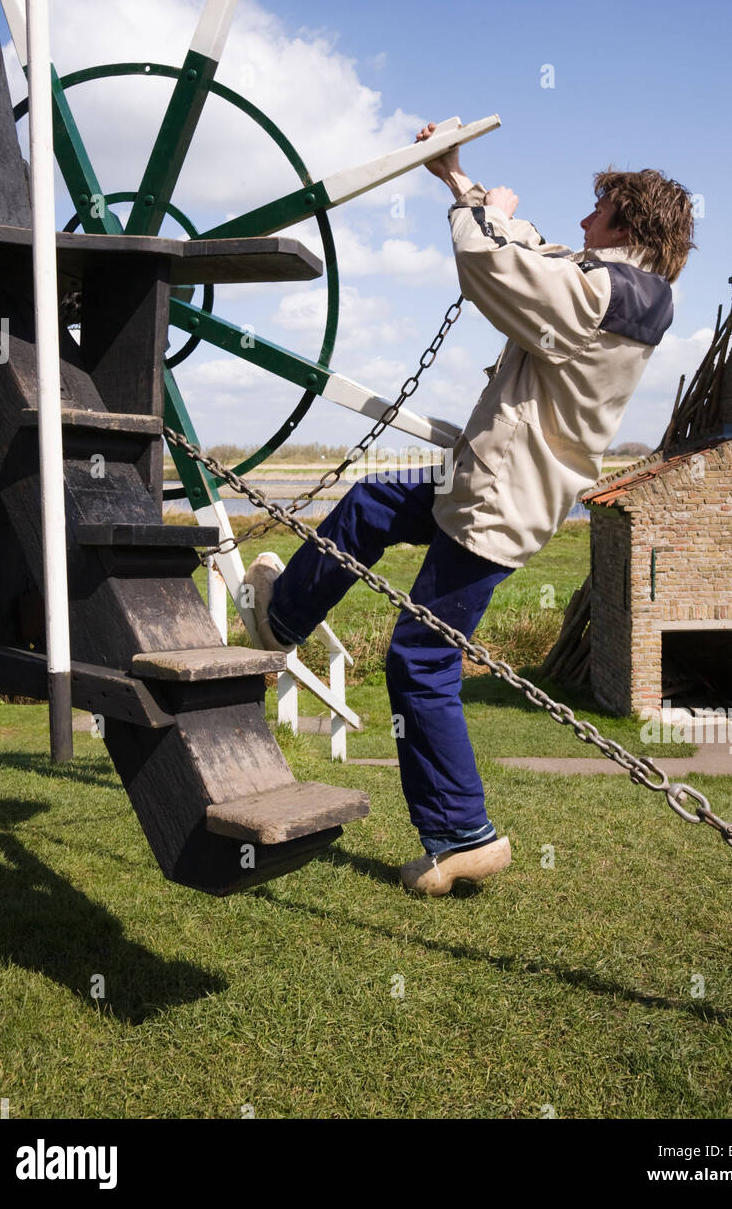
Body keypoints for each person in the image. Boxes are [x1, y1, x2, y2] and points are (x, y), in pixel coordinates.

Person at [246, 124, 695, 895]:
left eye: (598, 209)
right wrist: (461, 181)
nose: (584, 220)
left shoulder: (608, 294)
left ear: (628, 222)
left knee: (419, 662)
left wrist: (482, 206)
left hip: (498, 499)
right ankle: (281, 618)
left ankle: (460, 835)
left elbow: (497, 260)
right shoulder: (621, 288)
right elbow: (538, 251)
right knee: (376, 498)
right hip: (488, 480)